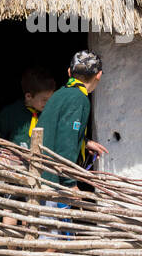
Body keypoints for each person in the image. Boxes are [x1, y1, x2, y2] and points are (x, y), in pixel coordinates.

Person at [37, 50, 107, 185]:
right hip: (54, 181)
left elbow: (59, 129)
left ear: (69, 72)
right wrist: (69, 182)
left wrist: (84, 142)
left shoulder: (60, 93)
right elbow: (66, 143)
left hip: (43, 174)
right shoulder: (78, 99)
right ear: (98, 75)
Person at [0, 67, 56, 147]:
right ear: (28, 96)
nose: (49, 103)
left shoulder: (51, 115)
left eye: (51, 99)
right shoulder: (9, 114)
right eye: (44, 100)